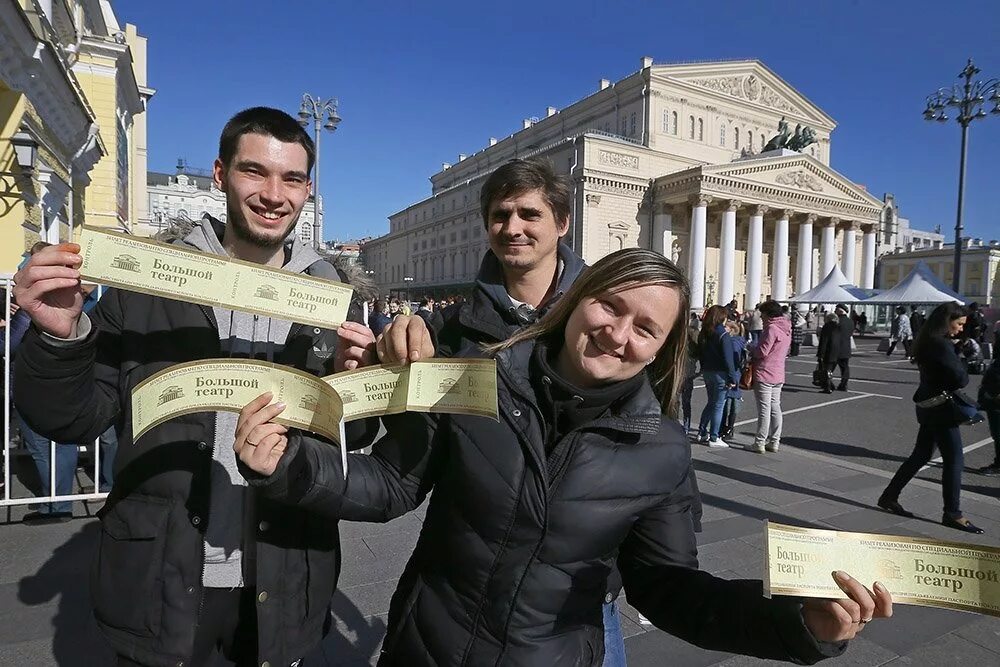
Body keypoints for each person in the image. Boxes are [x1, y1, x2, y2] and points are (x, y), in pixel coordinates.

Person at [236, 249, 893, 666]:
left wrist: (798, 625)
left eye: (646, 328)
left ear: (663, 350)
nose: (618, 332)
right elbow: (391, 484)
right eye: (610, 305)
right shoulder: (475, 377)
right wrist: (291, 463)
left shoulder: (661, 448)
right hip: (427, 649)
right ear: (577, 300)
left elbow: (669, 589)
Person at [11, 107, 427, 667]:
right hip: (162, 577)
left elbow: (344, 446)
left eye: (293, 179)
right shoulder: (149, 284)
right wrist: (60, 340)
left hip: (285, 573)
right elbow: (72, 419)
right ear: (219, 174)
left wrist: (355, 391)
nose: (274, 194)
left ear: (308, 190)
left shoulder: (334, 300)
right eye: (254, 172)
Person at [878, 302, 984, 534]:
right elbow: (960, 379)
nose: (959, 330)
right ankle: (953, 513)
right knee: (955, 460)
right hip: (942, 410)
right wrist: (963, 357)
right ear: (947, 321)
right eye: (958, 324)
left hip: (928, 406)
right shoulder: (941, 344)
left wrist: (954, 351)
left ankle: (889, 496)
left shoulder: (927, 340)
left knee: (921, 454)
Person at [749, 300, 792, 453]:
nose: (761, 318)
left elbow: (763, 351)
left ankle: (760, 442)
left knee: (764, 409)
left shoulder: (772, 329)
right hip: (779, 373)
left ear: (768, 314)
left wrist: (752, 349)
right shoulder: (787, 328)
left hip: (765, 372)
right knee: (775, 408)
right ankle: (775, 441)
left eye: (762, 314)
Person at [697, 304, 738, 446]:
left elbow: (700, 354)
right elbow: (729, 359)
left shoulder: (705, 333)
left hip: (708, 372)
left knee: (711, 403)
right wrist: (732, 377)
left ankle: (702, 432)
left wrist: (703, 368)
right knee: (719, 405)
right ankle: (714, 437)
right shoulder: (723, 335)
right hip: (721, 373)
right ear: (722, 317)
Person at [718, 320, 745, 443]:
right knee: (732, 401)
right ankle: (728, 428)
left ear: (732, 330)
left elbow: (733, 360)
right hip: (736, 374)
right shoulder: (739, 341)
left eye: (726, 327)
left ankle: (726, 428)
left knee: (728, 403)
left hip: (732, 374)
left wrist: (731, 375)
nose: (724, 328)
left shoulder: (733, 343)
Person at [976, 354, 1000, 476]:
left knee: (998, 434)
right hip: (993, 401)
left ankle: (999, 465)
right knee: (997, 434)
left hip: (996, 401)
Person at [816, 313, 842, 394]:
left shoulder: (827, 327)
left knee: (826, 370)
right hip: (837, 351)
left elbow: (824, 341)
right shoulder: (839, 327)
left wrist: (820, 354)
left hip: (828, 351)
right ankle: (830, 385)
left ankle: (828, 387)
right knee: (830, 370)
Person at [833, 304, 854, 391]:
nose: (834, 312)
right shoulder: (850, 321)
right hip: (846, 348)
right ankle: (844, 384)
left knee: (829, 367)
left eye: (836, 310)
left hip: (835, 348)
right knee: (845, 368)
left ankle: (828, 384)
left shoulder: (836, 322)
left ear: (840, 311)